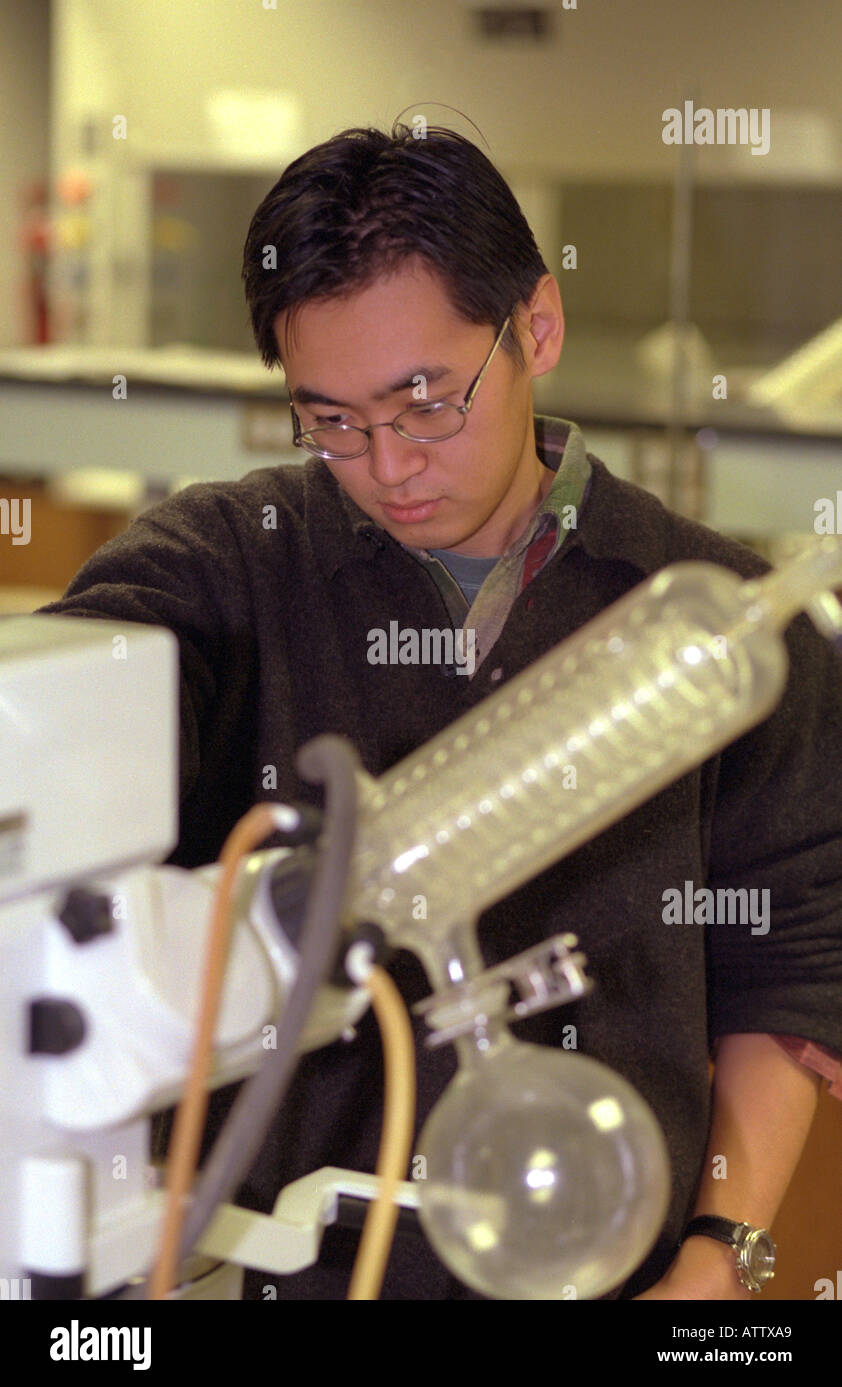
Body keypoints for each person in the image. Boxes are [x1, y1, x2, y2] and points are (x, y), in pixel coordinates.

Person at [35, 123, 842, 1301]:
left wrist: (718, 1263)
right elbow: (80, 706)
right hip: (288, 1270)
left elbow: (788, 966)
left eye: (424, 402)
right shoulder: (226, 566)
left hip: (615, 1275)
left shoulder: (706, 627)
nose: (387, 464)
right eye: (332, 422)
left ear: (536, 328)